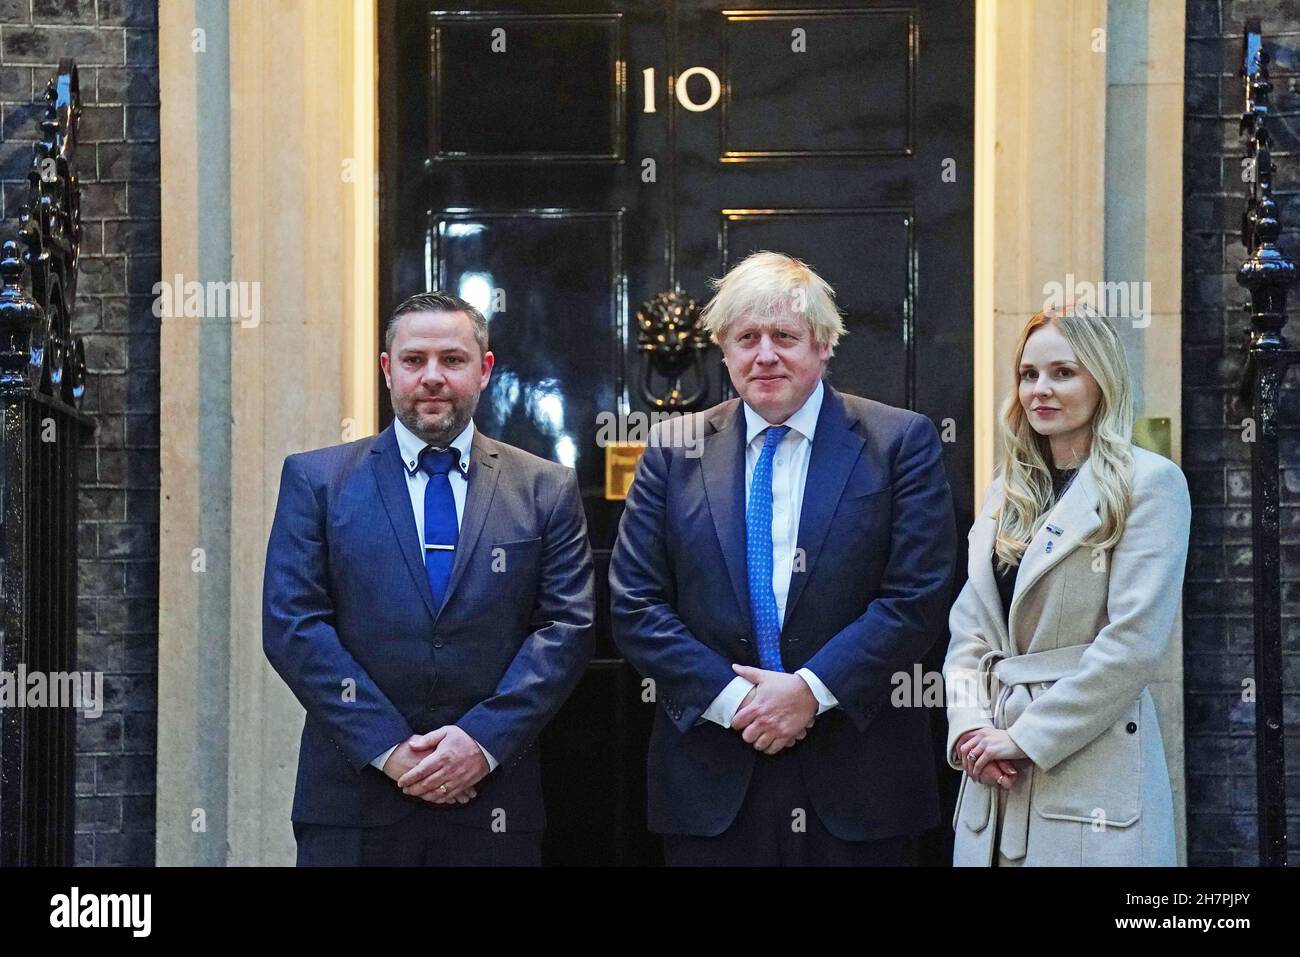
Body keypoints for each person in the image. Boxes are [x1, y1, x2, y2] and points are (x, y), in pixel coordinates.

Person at [610, 251, 957, 865]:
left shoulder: (900, 442)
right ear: (723, 349)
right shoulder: (671, 450)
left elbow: (917, 596)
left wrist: (809, 692)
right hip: (713, 778)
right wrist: (740, 702)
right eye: (747, 337)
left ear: (824, 346)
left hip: (860, 776)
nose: (764, 354)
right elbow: (636, 606)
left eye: (785, 336)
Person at [263, 292, 595, 866]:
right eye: (414, 361)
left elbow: (566, 629)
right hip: (352, 804)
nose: (432, 378)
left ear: (485, 370)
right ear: (388, 368)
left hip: (493, 802)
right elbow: (294, 626)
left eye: (453, 360)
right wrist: (390, 749)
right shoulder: (316, 481)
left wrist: (480, 743)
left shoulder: (546, 488)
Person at [944, 304, 1189, 866]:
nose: (1040, 390)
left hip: (1088, 768)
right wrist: (968, 727)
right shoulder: (1008, 491)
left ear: (1101, 379)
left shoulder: (1149, 483)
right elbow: (969, 638)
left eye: (1063, 372)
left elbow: (1133, 644)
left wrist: (1027, 738)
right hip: (992, 778)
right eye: (1029, 375)